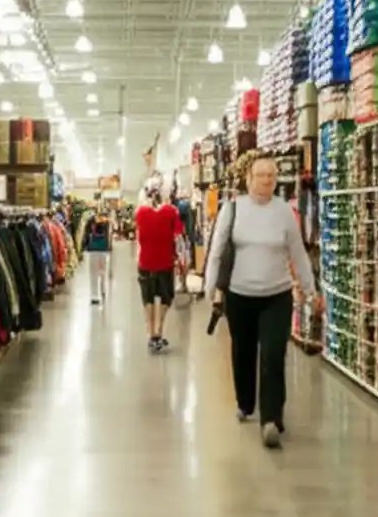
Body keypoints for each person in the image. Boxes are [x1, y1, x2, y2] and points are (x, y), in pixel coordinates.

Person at [203, 157, 321, 449]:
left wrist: (311, 289)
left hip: (277, 296)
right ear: (248, 178)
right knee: (243, 352)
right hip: (240, 295)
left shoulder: (283, 212)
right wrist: (210, 288)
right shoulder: (233, 209)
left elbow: (298, 253)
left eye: (271, 175)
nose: (267, 180)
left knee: (272, 354)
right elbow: (217, 250)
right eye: (261, 175)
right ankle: (245, 402)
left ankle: (271, 418)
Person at [134, 188, 181, 352]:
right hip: (165, 262)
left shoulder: (140, 213)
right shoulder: (171, 212)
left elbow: (139, 238)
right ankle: (158, 332)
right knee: (166, 296)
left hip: (145, 262)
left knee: (148, 298)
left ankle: (151, 333)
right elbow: (178, 235)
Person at [82, 211, 113, 305]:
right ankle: (103, 290)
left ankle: (94, 296)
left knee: (93, 273)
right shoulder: (107, 222)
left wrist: (85, 246)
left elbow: (86, 234)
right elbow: (109, 236)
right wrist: (109, 247)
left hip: (93, 250)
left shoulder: (90, 221)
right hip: (103, 249)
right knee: (103, 271)